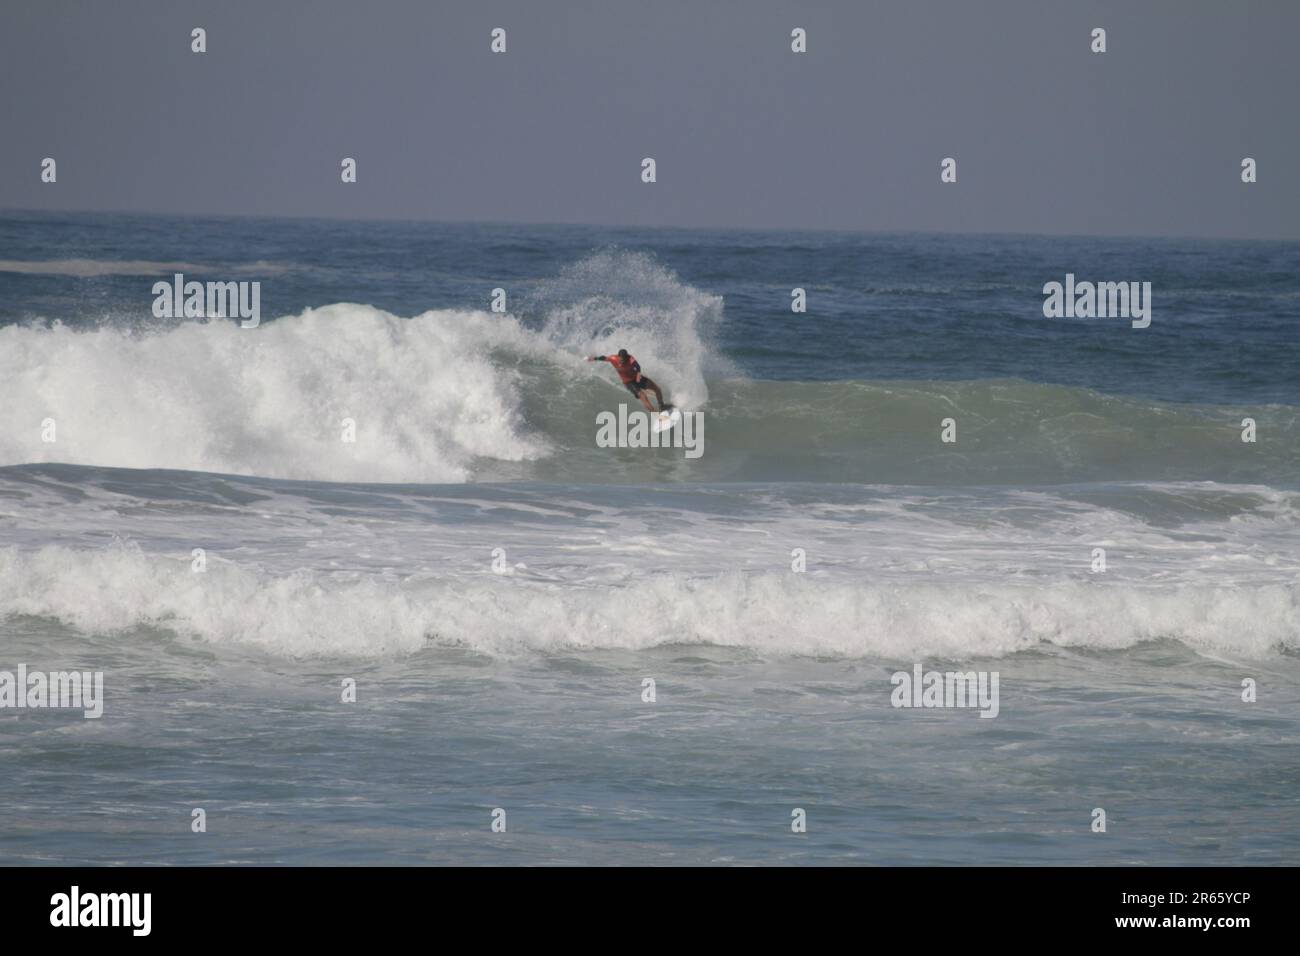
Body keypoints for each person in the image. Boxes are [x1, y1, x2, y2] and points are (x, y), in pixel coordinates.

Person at [586, 349, 668, 414]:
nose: (622, 362)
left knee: (657, 389)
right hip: (629, 382)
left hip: (636, 377)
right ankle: (657, 416)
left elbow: (637, 366)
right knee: (643, 396)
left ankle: (662, 406)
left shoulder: (630, 358)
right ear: (618, 357)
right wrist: (594, 358)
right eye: (621, 360)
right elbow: (604, 358)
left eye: (624, 360)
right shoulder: (613, 358)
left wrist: (639, 374)